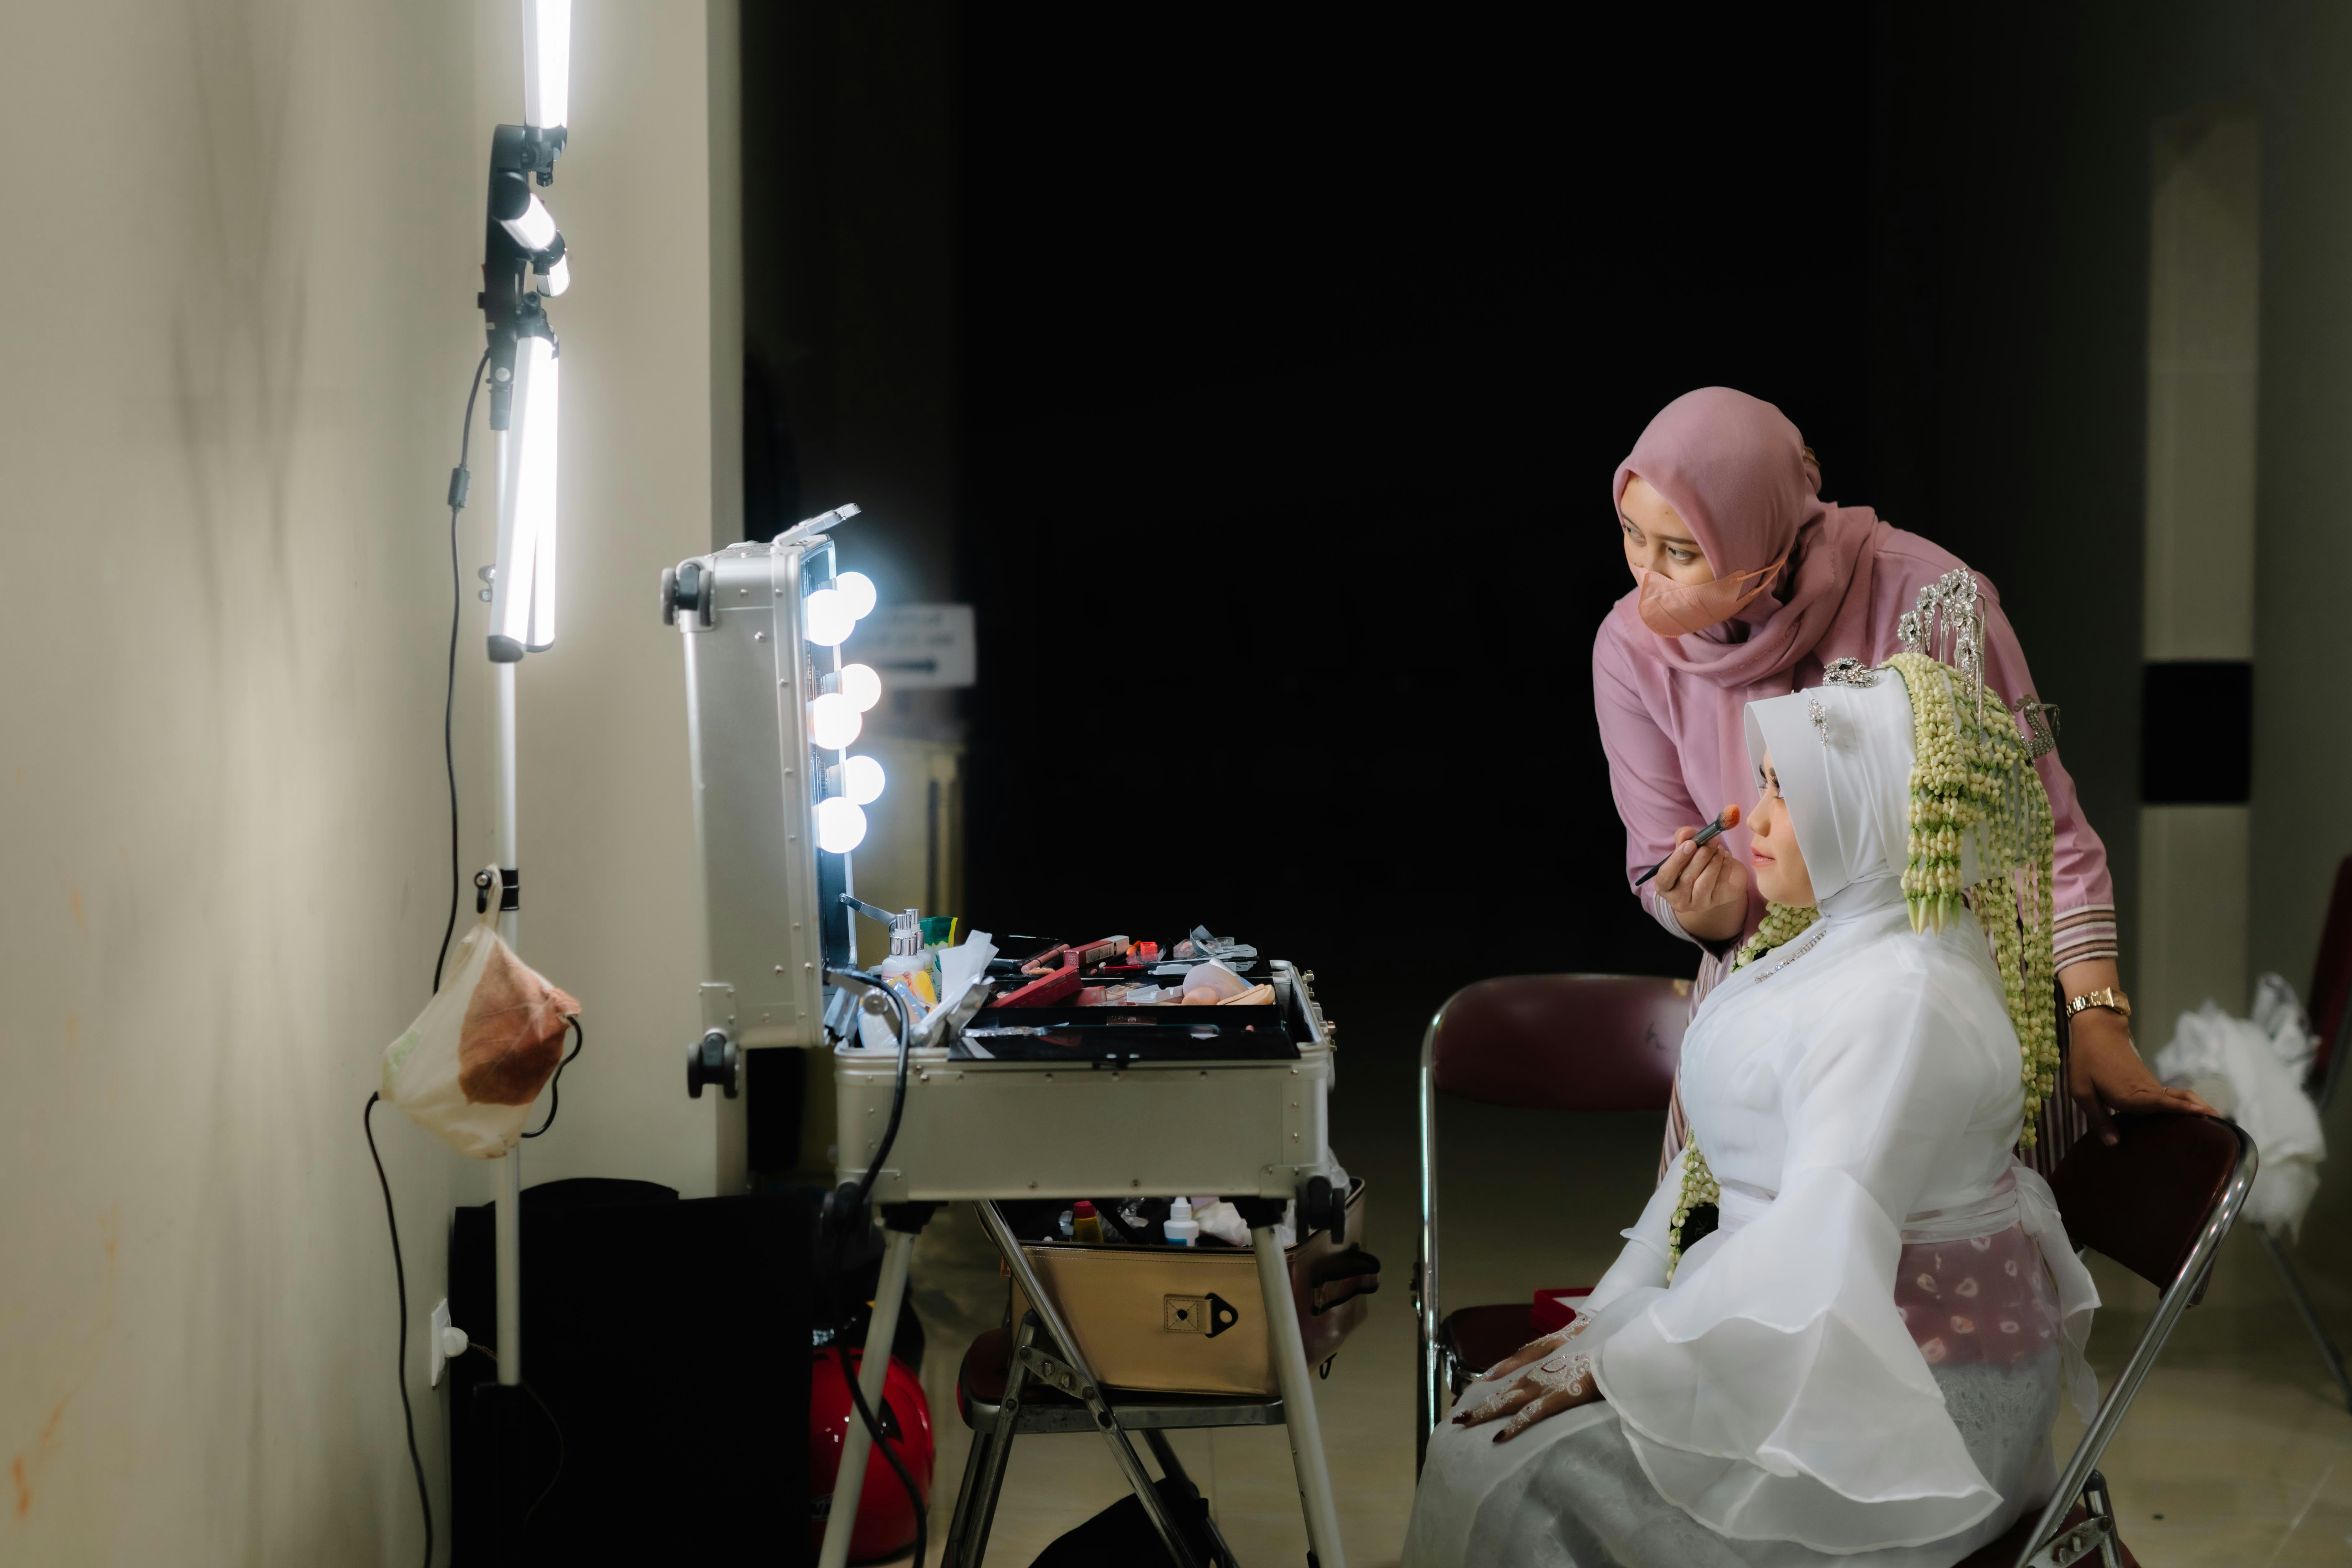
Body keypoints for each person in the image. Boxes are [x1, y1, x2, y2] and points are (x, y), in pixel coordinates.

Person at [1407, 657, 2102, 1567]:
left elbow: (1817, 1240)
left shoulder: (1907, 996)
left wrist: (1627, 1355)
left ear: (1870, 810)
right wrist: (1612, 1310)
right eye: (1765, 785)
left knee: (1519, 1473)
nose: (1756, 821)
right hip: (1809, 1324)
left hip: (1926, 1403)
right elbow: (1720, 1162)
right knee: (1482, 1441)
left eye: (1792, 794)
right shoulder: (1836, 942)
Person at [1596, 387, 2205, 1165]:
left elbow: (2037, 827)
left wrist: (2095, 1016)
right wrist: (1703, 910)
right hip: (1766, 1012)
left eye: (1681, 551)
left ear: (1756, 530)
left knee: (1946, 1249)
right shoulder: (1628, 650)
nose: (1645, 577)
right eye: (1629, 535)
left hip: (1937, 1013)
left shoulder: (1930, 599)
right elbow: (1658, 857)